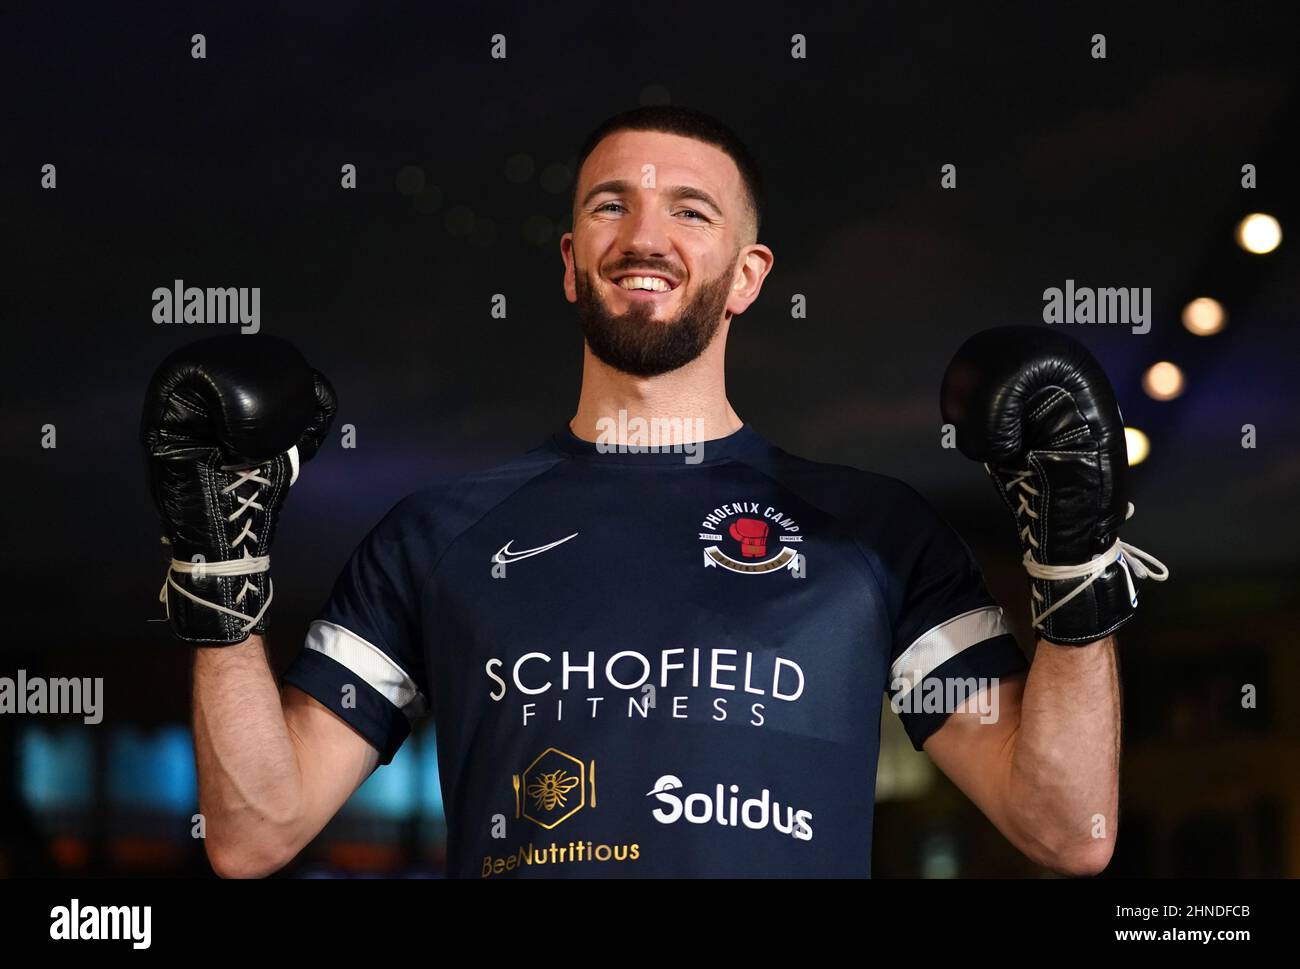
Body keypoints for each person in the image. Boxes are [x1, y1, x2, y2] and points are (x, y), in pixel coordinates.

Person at [141, 106, 1165, 878]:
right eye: (608, 205)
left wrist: (1073, 574)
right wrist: (215, 569)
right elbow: (252, 834)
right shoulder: (434, 538)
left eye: (689, 209)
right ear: (570, 264)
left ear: (749, 272)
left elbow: (1062, 828)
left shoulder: (873, 532)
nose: (644, 235)